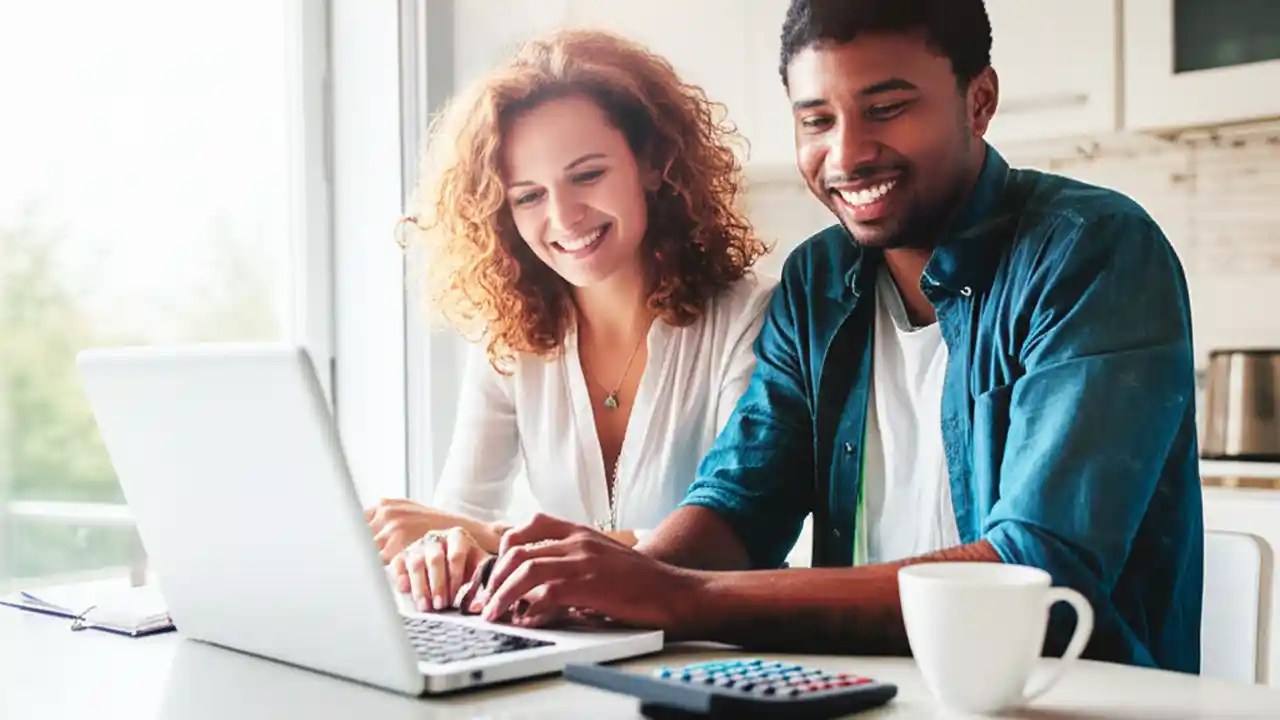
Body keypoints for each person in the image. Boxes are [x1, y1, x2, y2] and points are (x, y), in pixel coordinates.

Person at [458, 0, 1203, 674]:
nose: (846, 154)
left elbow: (1036, 569)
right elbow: (740, 505)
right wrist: (617, 583)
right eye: (817, 120)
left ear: (978, 101)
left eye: (887, 107)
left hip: (1070, 699)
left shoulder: (1092, 251)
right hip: (868, 692)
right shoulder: (822, 280)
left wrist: (680, 596)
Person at [370, 29, 775, 612]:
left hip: (705, 650)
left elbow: (723, 541)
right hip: (564, 645)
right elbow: (460, 513)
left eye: (587, 176)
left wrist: (487, 540)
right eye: (528, 196)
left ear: (654, 162)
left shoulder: (749, 316)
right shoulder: (509, 337)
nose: (564, 217)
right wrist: (438, 548)